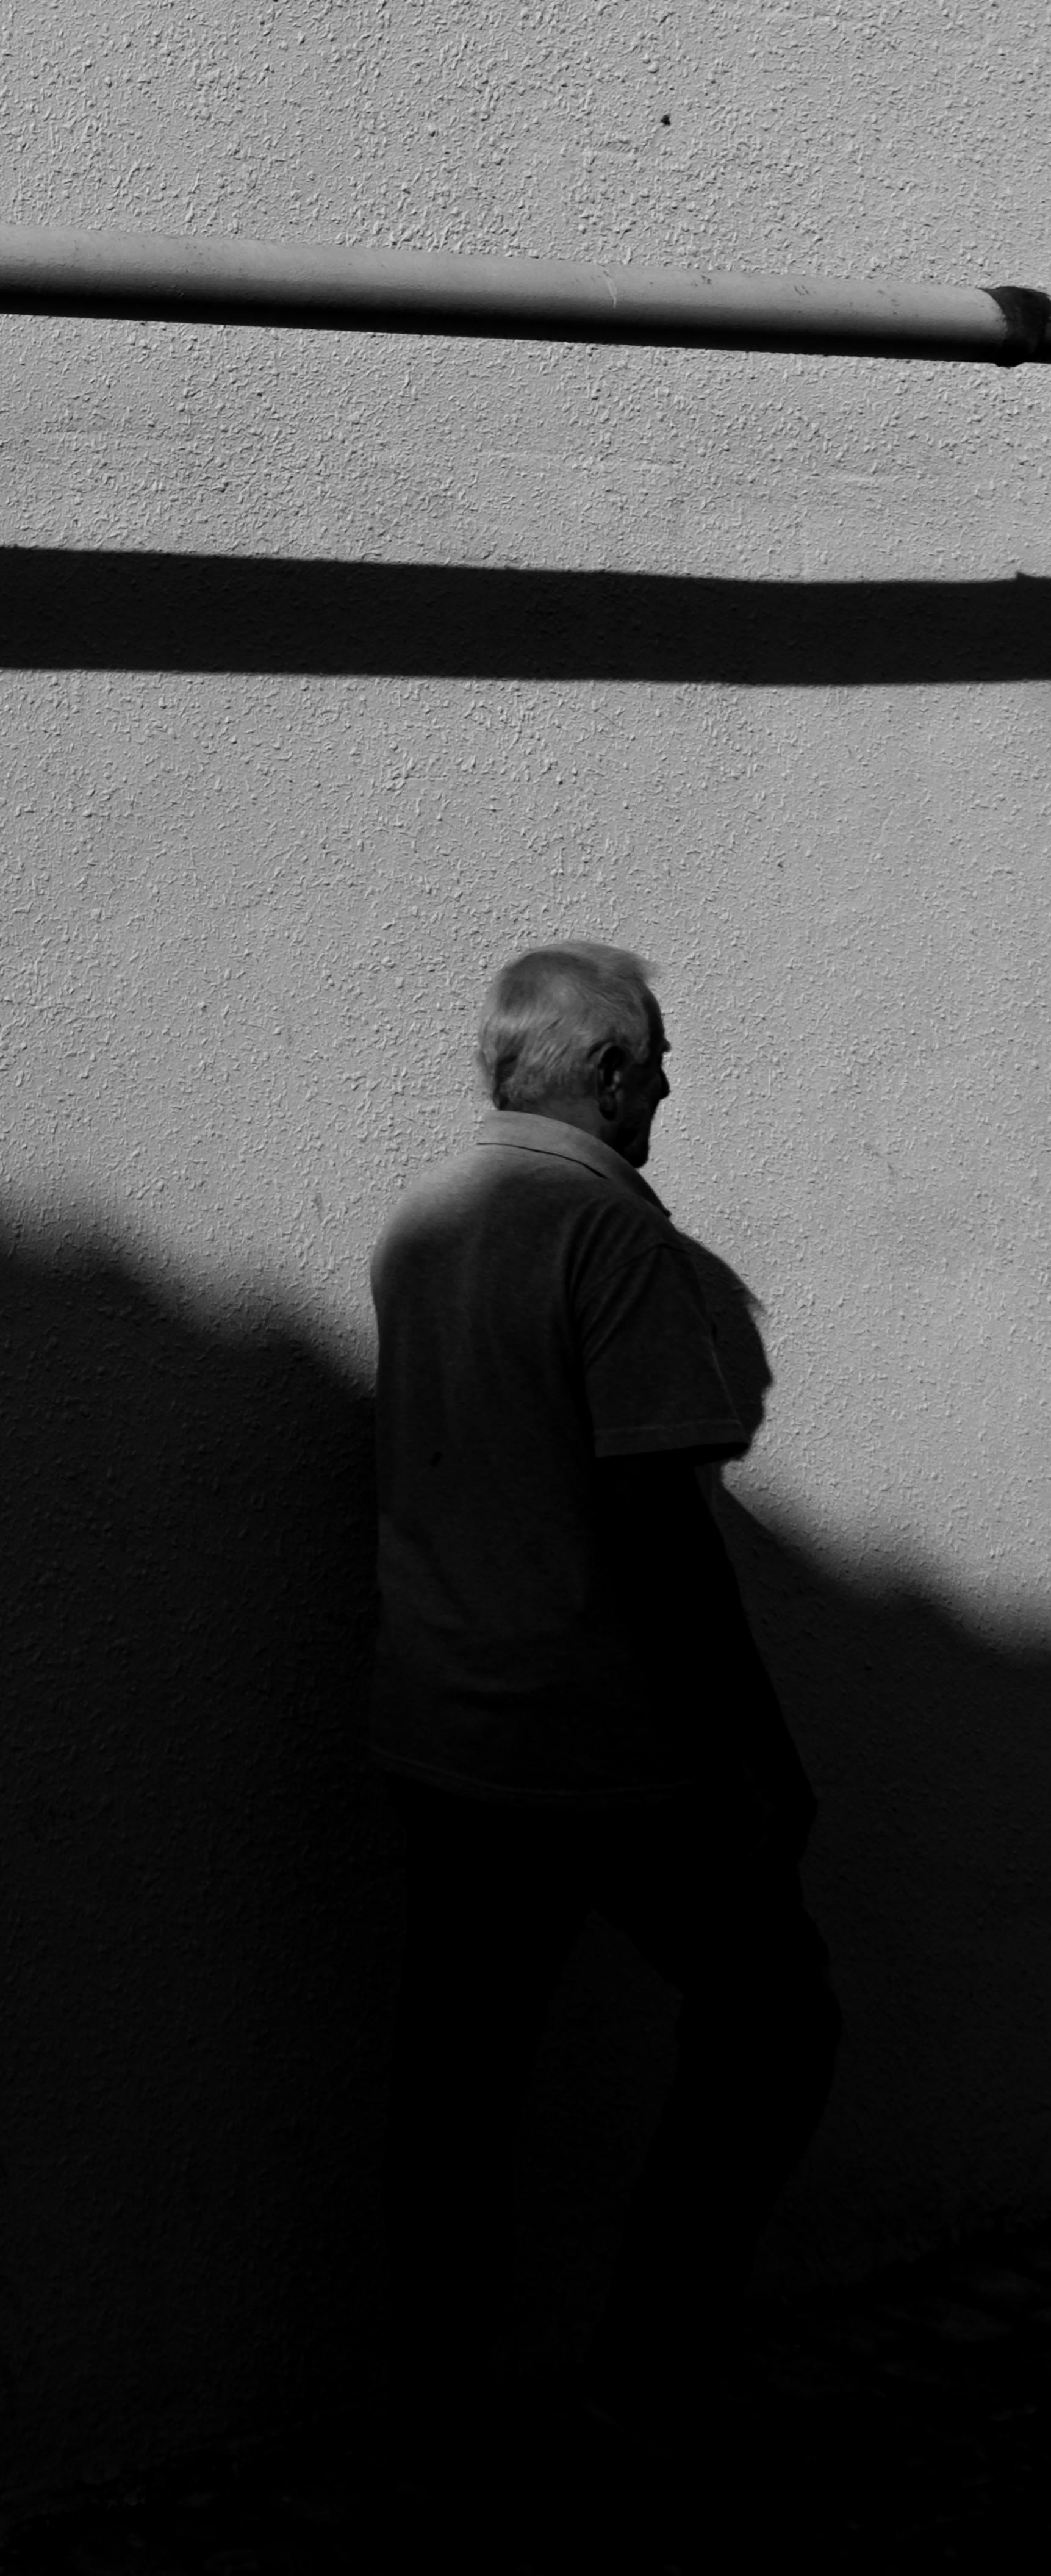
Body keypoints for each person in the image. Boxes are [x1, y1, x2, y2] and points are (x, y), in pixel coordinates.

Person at [370, 941, 839, 2427]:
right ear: (609, 1070)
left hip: (440, 1722)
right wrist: (757, 1748)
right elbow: (655, 1527)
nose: (668, 1089)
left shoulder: (422, 1223)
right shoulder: (611, 1238)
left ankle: (432, 2422)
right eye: (657, 1061)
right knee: (776, 2022)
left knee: (456, 2093)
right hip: (592, 1746)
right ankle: (648, 2381)